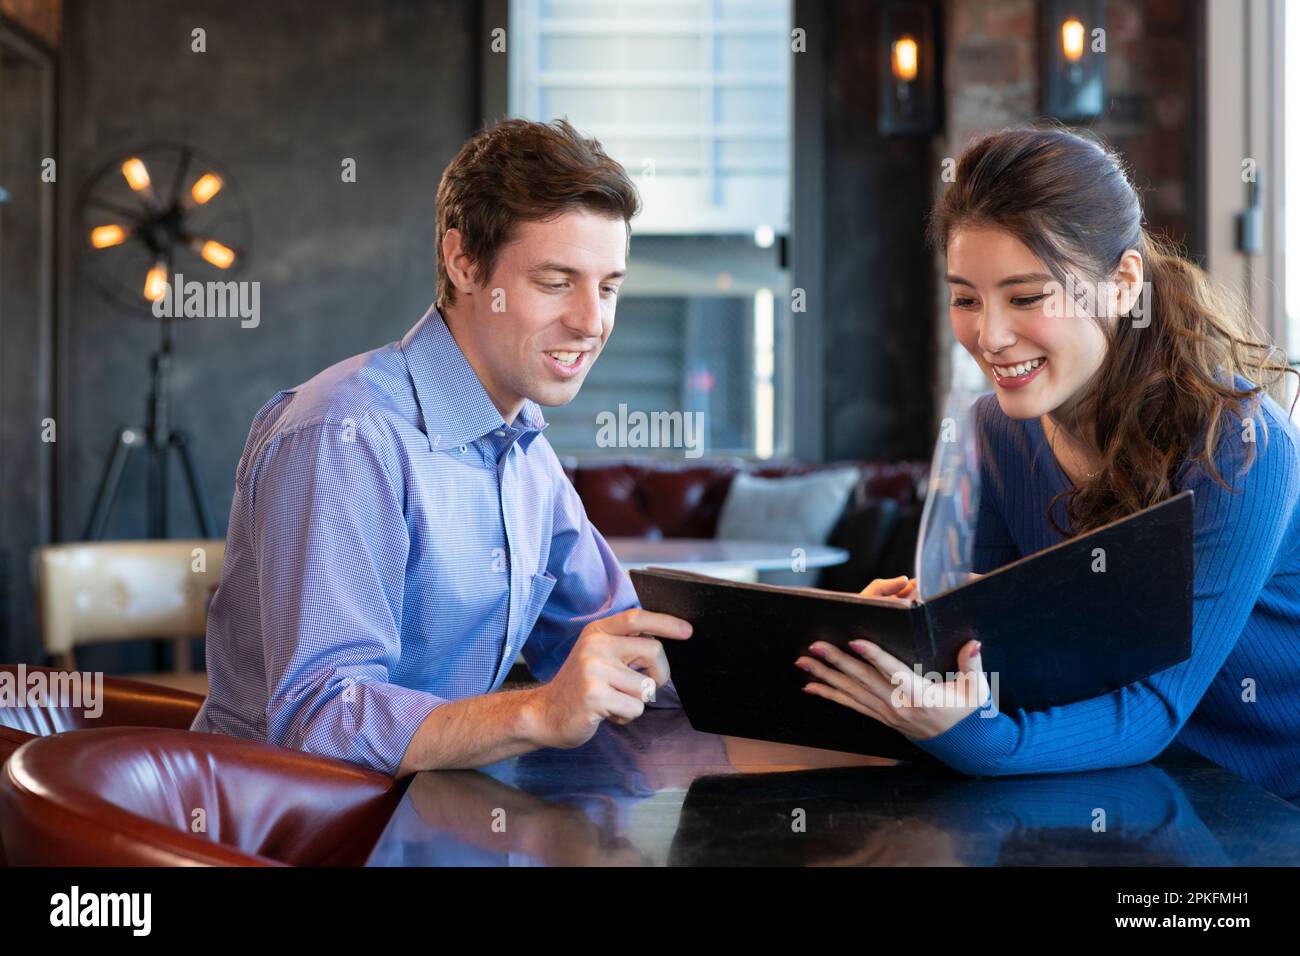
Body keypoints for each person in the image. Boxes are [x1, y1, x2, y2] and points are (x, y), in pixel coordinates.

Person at [797, 127, 1300, 803]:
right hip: (1106, 785)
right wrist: (909, 635)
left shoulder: (1239, 447)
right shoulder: (996, 433)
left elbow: (1155, 707)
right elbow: (1002, 665)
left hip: (1261, 806)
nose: (989, 335)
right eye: (966, 298)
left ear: (1122, 283)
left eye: (1027, 297)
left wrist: (971, 736)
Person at [192, 118, 691, 777]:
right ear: (464, 263)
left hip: (435, 816)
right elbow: (320, 718)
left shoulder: (527, 455)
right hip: (290, 836)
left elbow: (629, 640)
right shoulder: (343, 434)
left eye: (608, 287)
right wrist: (538, 713)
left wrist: (832, 640)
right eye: (555, 282)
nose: (592, 322)